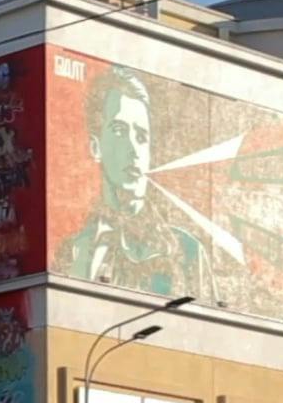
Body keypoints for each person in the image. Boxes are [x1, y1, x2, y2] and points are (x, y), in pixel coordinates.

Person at [55, 64, 206, 300]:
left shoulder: (185, 250)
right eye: (119, 130)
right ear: (96, 147)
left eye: (141, 137)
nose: (134, 150)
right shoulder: (73, 250)